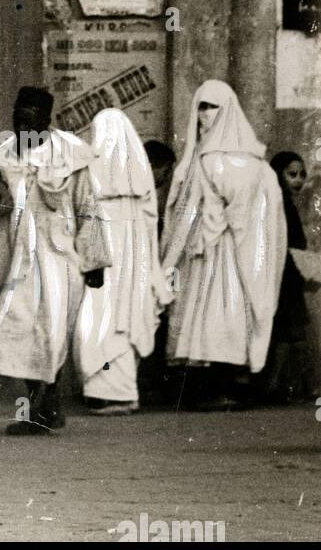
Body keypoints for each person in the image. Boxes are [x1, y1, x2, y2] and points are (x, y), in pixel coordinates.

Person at [0, 87, 110, 435]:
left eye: (33, 116)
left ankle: (42, 409)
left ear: (47, 119)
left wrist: (95, 261)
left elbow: (89, 209)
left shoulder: (71, 155)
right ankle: (43, 405)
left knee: (52, 333)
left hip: (58, 261)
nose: (25, 122)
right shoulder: (2, 156)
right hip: (14, 262)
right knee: (18, 330)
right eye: (20, 115)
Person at [160, 80, 287, 409]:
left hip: (222, 250)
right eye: (200, 106)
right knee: (213, 315)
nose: (203, 114)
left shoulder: (227, 162)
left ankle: (222, 385)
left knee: (218, 314)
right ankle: (214, 385)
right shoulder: (219, 160)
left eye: (211, 107)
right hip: (213, 252)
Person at [72, 109, 171, 414]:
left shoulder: (98, 175)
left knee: (107, 323)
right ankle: (110, 392)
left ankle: (117, 395)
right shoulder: (133, 180)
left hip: (111, 265)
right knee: (114, 322)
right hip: (119, 266)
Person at [257, 151, 314, 401]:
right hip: (288, 276)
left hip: (288, 275)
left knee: (288, 332)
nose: (299, 180)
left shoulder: (281, 203)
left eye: (301, 174)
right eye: (292, 174)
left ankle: (279, 385)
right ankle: (282, 385)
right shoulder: (281, 205)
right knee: (291, 332)